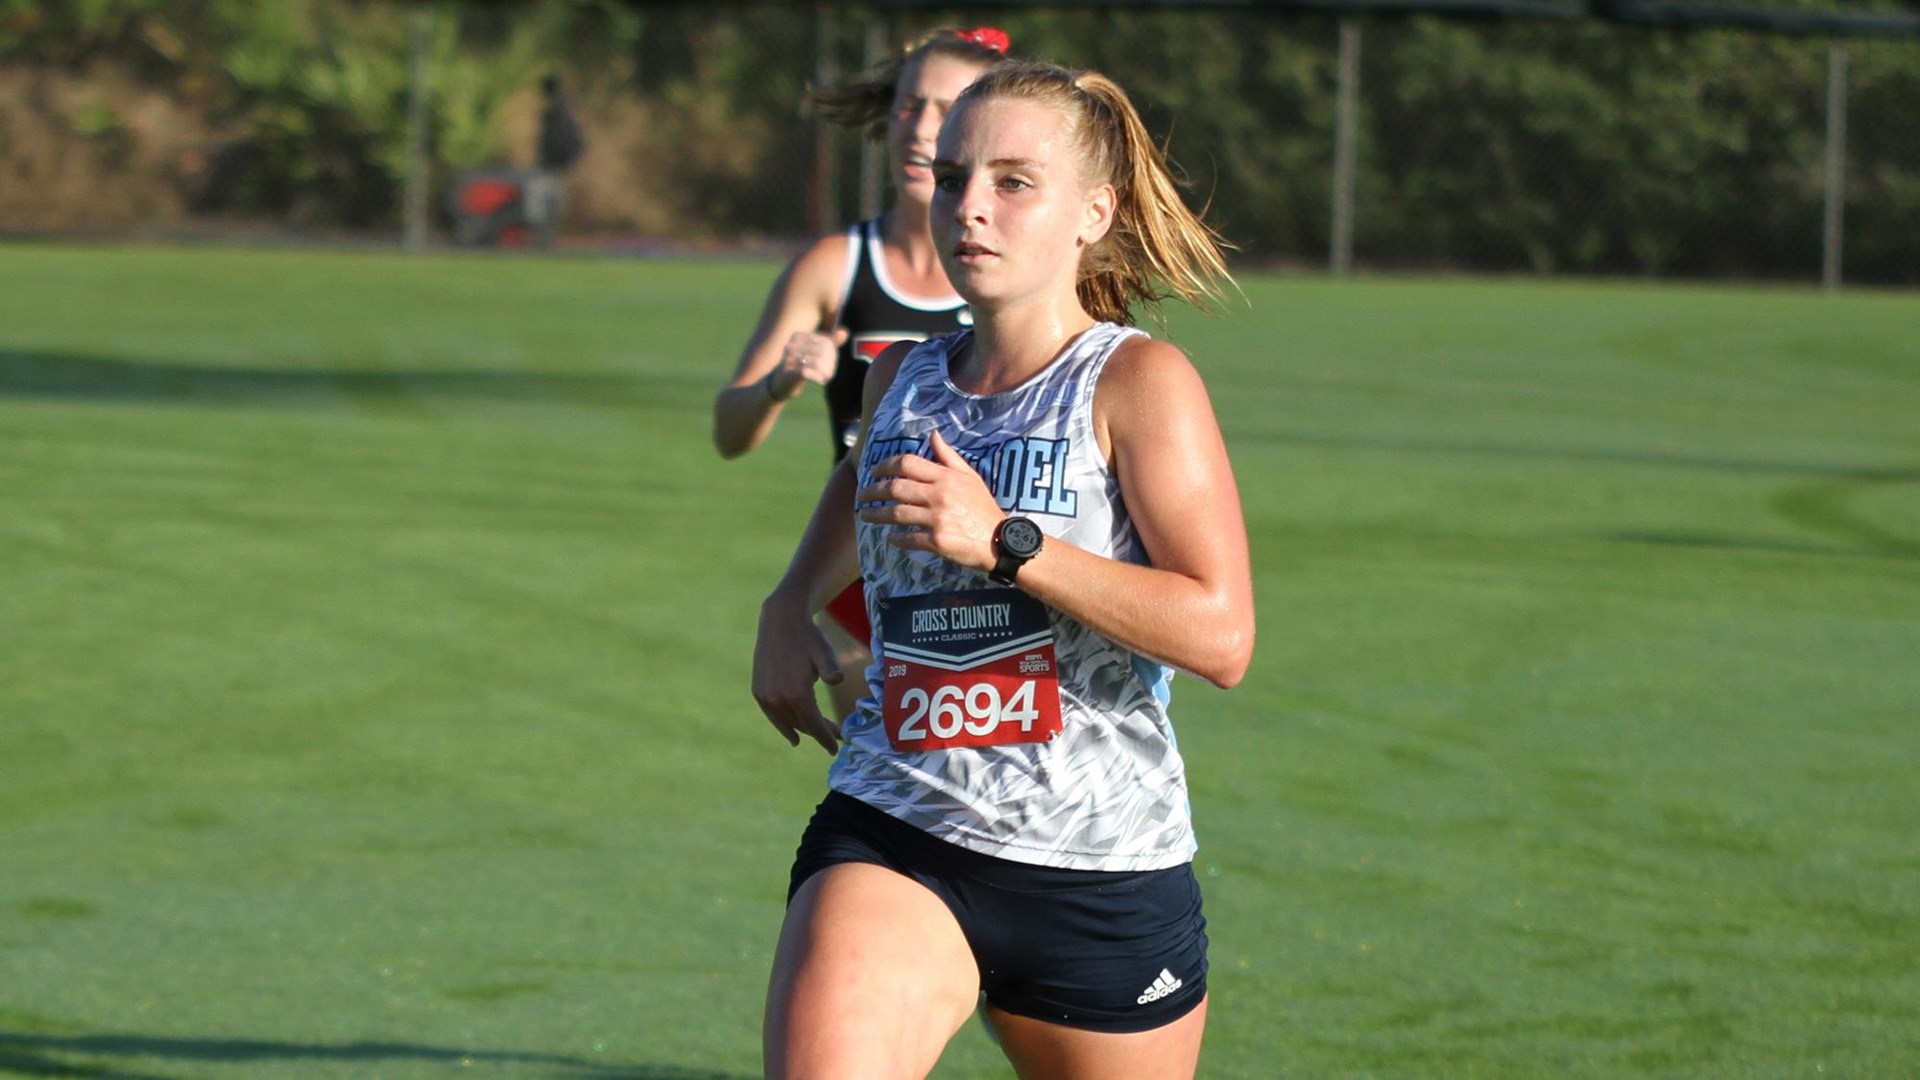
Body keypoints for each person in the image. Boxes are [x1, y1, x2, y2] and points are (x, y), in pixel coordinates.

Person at [750, 59, 1254, 1080]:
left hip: (1102, 871)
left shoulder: (1136, 382)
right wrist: (787, 602)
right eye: (951, 178)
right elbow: (859, 483)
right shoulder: (904, 375)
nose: (970, 208)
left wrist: (1008, 543)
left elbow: (1221, 635)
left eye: (1013, 182)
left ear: (1091, 212)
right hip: (900, 828)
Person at [712, 26, 1013, 722]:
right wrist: (777, 384)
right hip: (863, 585)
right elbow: (730, 432)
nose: (920, 128)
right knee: (886, 795)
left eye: (946, 108)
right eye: (907, 105)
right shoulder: (837, 265)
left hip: (994, 583)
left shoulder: (1020, 278)